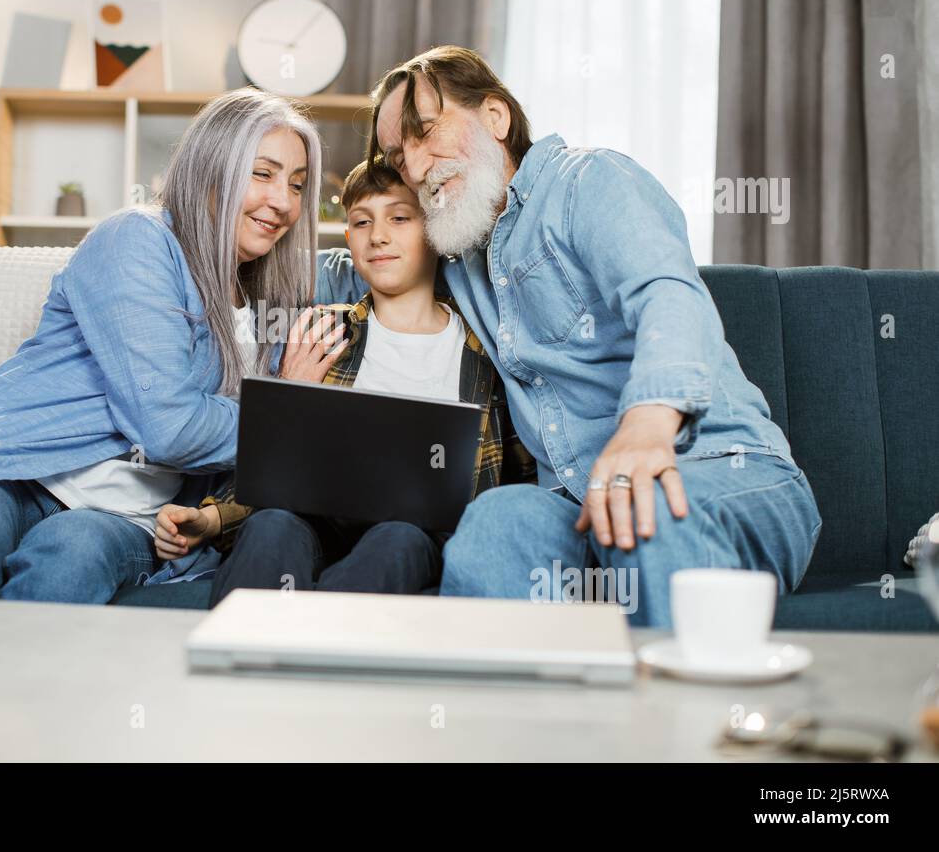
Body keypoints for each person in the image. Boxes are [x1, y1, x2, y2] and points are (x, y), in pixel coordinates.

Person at [315, 45, 822, 627]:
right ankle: (526, 717)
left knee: (640, 498)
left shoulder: (589, 183)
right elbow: (363, 258)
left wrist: (646, 428)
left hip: (723, 474)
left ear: (496, 118)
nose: (419, 167)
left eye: (427, 133)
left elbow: (668, 295)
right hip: (579, 508)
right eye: (399, 155)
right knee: (494, 524)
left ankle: (691, 713)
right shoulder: (457, 249)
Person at [0, 88, 347, 604]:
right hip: (13, 472)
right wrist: (282, 408)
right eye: (262, 174)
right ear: (212, 168)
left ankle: (6, 685)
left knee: (67, 564)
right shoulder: (139, 240)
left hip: (125, 518)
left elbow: (381, 261)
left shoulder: (279, 302)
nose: (284, 202)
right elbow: (170, 428)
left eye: (297, 184)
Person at [150, 159, 535, 607]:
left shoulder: (484, 349)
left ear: (435, 230)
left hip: (416, 537)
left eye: (399, 217)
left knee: (399, 538)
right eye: (362, 222)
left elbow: (521, 475)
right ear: (348, 238)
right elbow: (273, 465)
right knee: (272, 524)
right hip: (314, 524)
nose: (379, 236)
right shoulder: (320, 332)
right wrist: (213, 519)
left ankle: (317, 656)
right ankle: (246, 663)